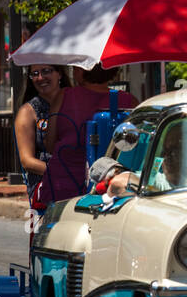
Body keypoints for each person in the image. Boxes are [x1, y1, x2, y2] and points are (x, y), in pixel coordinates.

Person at [38, 65, 135, 206]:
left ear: (83, 70)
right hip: (109, 184)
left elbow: (50, 144)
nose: (73, 70)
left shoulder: (64, 96)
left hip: (62, 182)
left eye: (76, 66)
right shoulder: (129, 101)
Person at [16, 65, 68, 203]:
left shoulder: (75, 103)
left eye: (46, 71)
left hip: (80, 182)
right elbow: (27, 161)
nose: (40, 78)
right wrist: (62, 173)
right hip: (46, 187)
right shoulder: (27, 112)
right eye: (35, 74)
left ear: (60, 73)